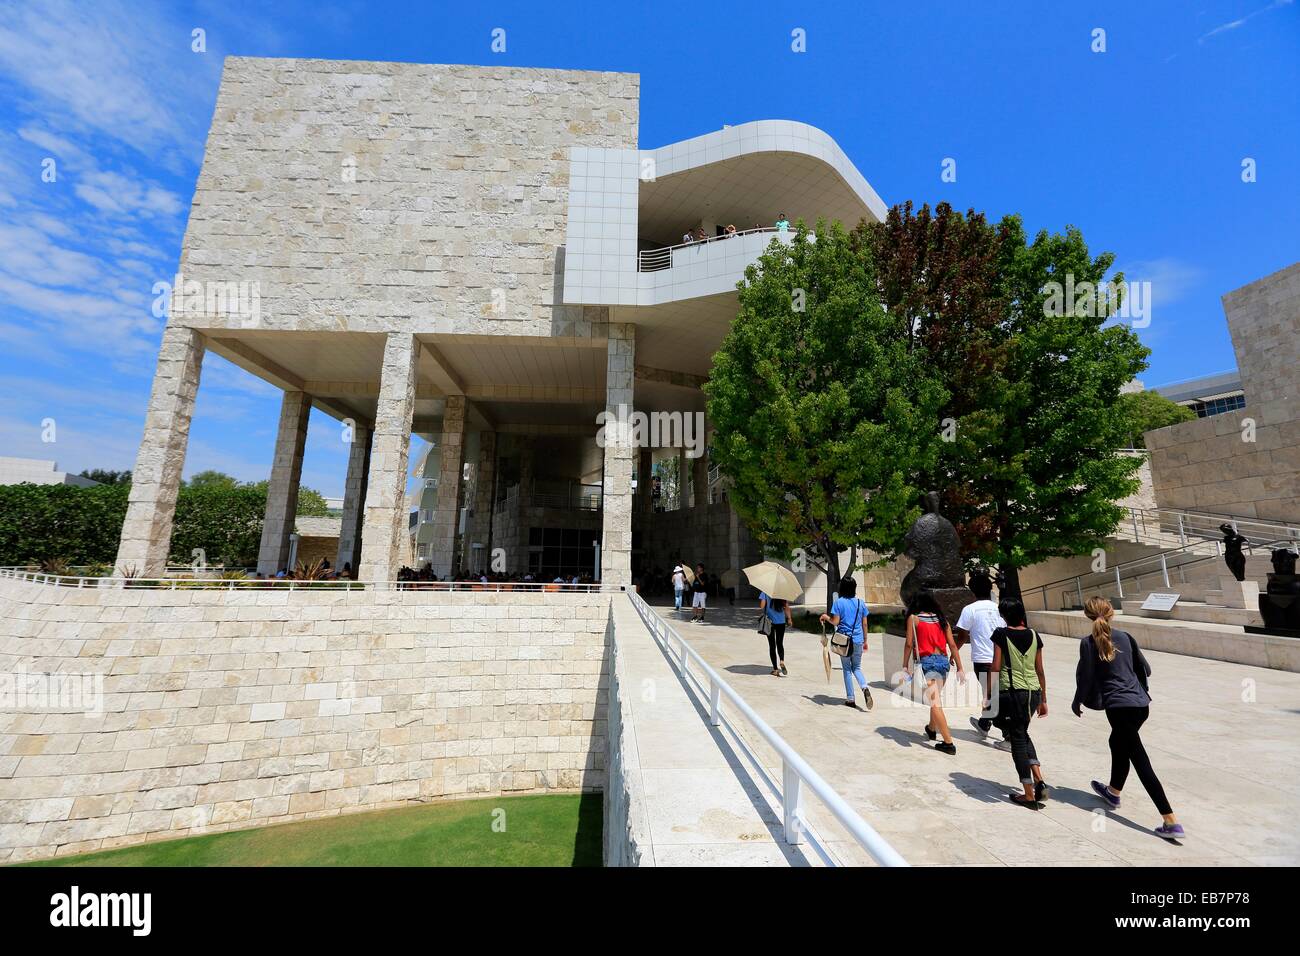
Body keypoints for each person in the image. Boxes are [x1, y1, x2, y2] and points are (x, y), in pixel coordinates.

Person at [1073, 597, 1184, 840]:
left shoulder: (1088, 643)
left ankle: (1170, 820)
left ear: (1087, 615)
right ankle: (1113, 792)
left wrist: (1077, 700)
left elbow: (1086, 677)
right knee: (1117, 742)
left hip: (1119, 707)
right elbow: (1146, 669)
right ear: (1111, 613)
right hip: (1141, 705)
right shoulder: (1126, 637)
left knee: (1140, 761)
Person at [990, 598, 1049, 806]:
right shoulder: (1034, 635)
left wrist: (989, 694)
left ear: (1003, 615)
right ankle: (1039, 779)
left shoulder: (1001, 634)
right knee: (1022, 732)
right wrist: (1043, 699)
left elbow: (995, 666)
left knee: (1017, 740)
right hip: (1033, 692)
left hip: (1012, 692)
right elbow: (1040, 670)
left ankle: (1028, 793)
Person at [901, 590, 964, 753]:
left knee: (935, 702)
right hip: (943, 662)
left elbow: (909, 644)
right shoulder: (942, 620)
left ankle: (948, 743)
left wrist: (904, 666)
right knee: (935, 698)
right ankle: (931, 728)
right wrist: (960, 667)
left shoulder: (914, 619)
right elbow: (952, 645)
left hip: (928, 663)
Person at [957, 572, 1006, 738]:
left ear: (972, 592)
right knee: (994, 693)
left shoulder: (969, 609)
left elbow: (962, 636)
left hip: (983, 660)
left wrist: (953, 652)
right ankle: (984, 724)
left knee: (992, 695)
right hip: (1001, 658)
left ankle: (1008, 735)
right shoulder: (999, 609)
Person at [819, 577, 873, 710]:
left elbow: (835, 622)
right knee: (857, 667)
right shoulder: (861, 603)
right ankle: (864, 687)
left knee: (847, 669)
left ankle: (851, 698)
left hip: (844, 642)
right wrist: (865, 640)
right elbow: (865, 624)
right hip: (858, 640)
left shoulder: (839, 603)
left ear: (842, 588)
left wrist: (825, 617)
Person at [759, 591, 793, 676]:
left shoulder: (765, 592)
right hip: (781, 622)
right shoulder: (781, 592)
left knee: (772, 645)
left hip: (770, 622)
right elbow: (786, 607)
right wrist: (789, 619)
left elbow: (762, 606)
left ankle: (775, 669)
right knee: (780, 643)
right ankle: (782, 660)